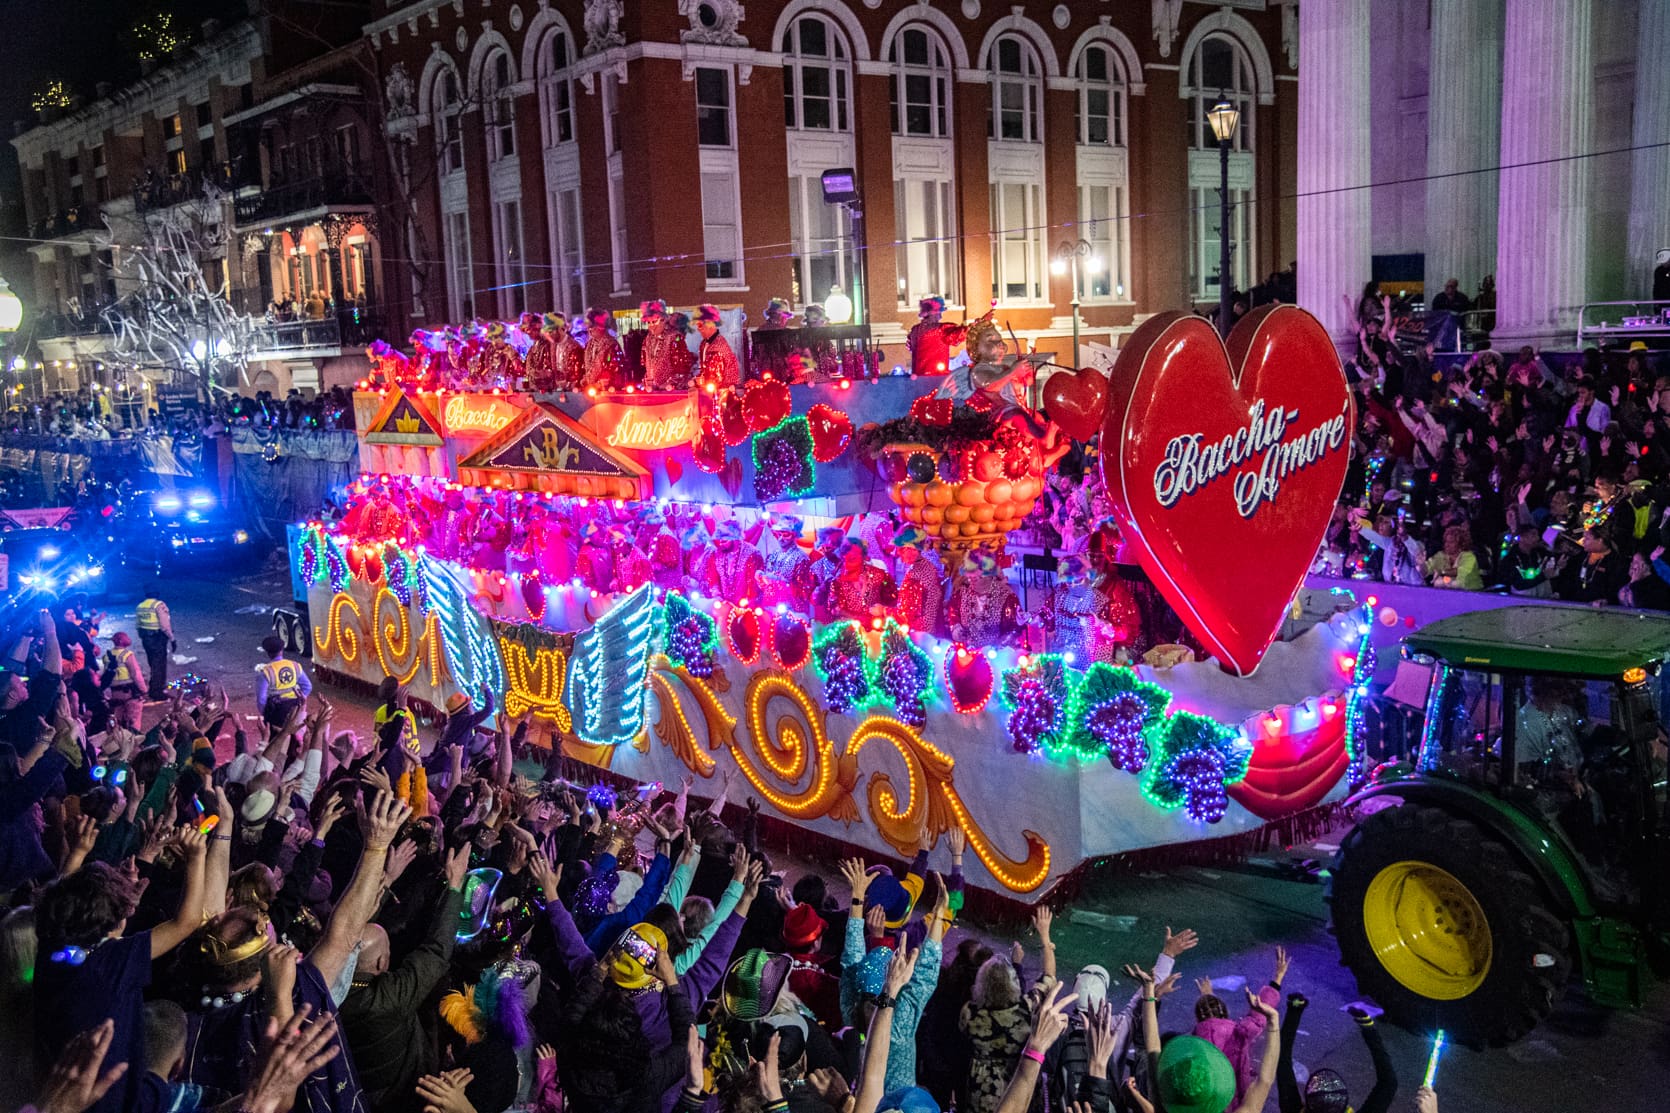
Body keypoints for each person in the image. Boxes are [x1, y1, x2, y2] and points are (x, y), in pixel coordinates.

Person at [255, 634, 312, 732]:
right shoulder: (295, 665)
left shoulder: (266, 672)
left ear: (267, 652)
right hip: (295, 709)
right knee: (296, 736)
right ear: (282, 650)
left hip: (276, 712)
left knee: (277, 737)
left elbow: (261, 699)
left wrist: (266, 714)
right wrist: (299, 700)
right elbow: (307, 686)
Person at [907, 296, 971, 379]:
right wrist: (976, 325)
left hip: (917, 377)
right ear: (932, 313)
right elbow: (960, 333)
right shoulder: (941, 329)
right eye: (939, 313)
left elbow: (910, 347)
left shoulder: (915, 330)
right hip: (937, 376)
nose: (940, 316)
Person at [135, 584, 174, 702]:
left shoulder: (140, 606)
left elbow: (138, 625)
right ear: (157, 594)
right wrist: (172, 639)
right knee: (159, 665)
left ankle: (155, 687)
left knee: (152, 663)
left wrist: (143, 636)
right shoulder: (159, 605)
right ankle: (157, 691)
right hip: (158, 638)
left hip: (146, 639)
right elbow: (165, 625)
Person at [694, 305, 741, 392]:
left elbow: (716, 377)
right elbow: (705, 370)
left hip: (723, 390)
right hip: (712, 388)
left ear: (710, 325)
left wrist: (700, 382)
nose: (699, 329)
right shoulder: (704, 344)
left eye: (700, 325)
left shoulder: (718, 345)